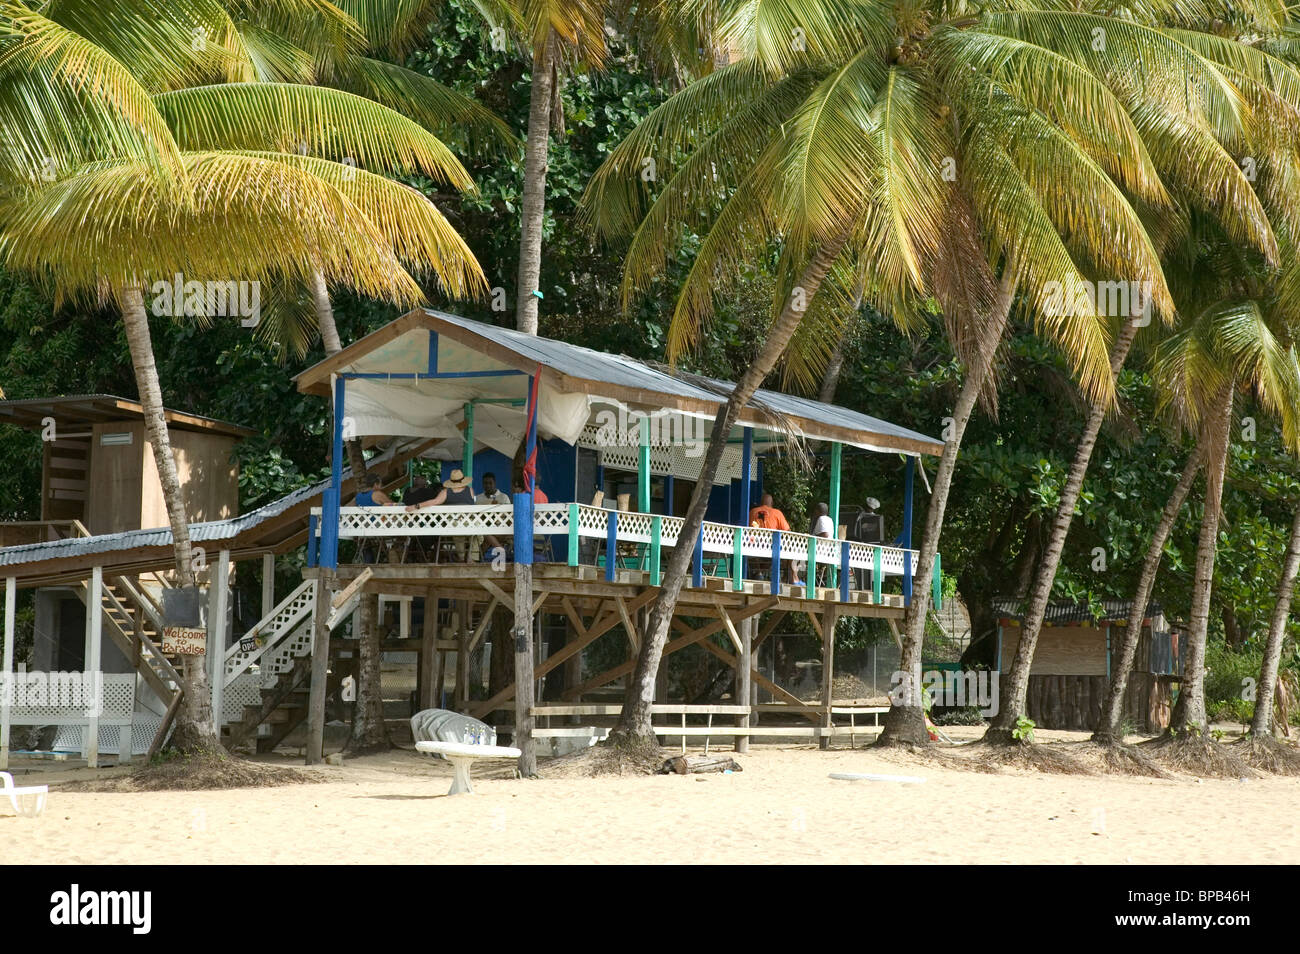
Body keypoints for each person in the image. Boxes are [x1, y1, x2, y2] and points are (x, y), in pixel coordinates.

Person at [405, 468, 474, 510]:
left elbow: (434, 502)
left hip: (450, 525)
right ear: (463, 479)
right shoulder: (470, 490)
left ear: (451, 481)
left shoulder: (445, 492)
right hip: (469, 524)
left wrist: (416, 506)